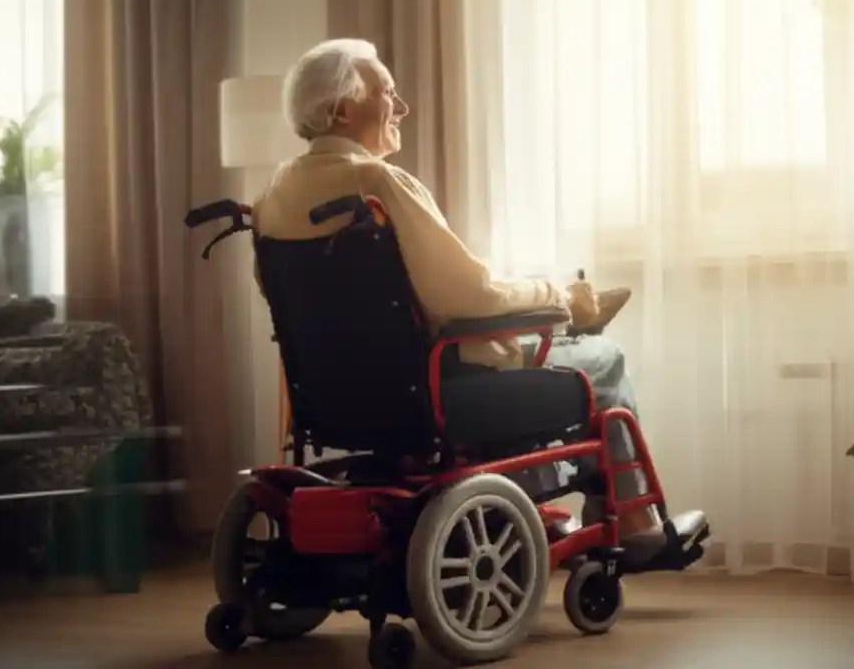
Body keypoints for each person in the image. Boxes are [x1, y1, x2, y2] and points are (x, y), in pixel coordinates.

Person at [250, 38, 665, 564]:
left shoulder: (273, 197)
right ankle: (631, 517)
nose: (401, 107)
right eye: (387, 93)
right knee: (603, 360)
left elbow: (286, 298)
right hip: (430, 389)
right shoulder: (377, 183)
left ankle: (556, 498)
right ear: (344, 109)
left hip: (333, 399)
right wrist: (557, 296)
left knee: (557, 351)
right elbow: (467, 296)